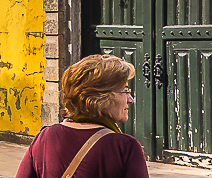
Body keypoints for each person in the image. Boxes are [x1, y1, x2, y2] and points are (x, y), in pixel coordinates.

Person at [16, 54, 149, 178]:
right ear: (102, 98)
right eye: (125, 91)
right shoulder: (124, 147)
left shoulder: (45, 137)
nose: (131, 99)